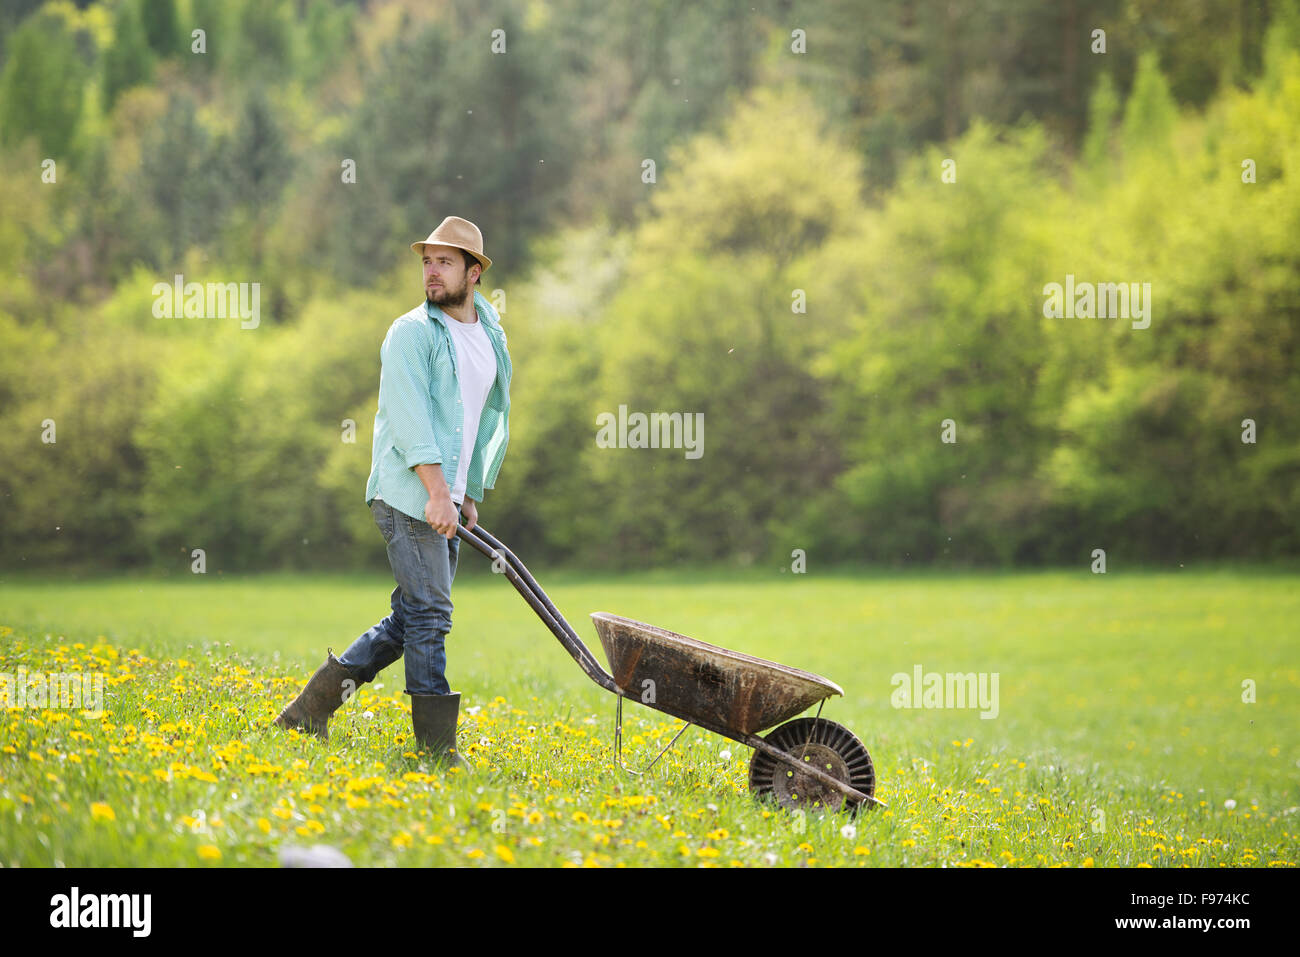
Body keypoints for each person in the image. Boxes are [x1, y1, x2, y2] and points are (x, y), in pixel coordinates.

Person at [273, 216, 511, 768]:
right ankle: (435, 752)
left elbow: (477, 418)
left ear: (474, 273)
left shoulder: (488, 333)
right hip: (409, 495)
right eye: (426, 260)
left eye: (445, 262)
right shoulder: (411, 333)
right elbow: (411, 421)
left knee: (409, 619)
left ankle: (308, 711)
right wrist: (435, 492)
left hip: (443, 496)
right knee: (431, 614)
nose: (431, 271)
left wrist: (465, 492)